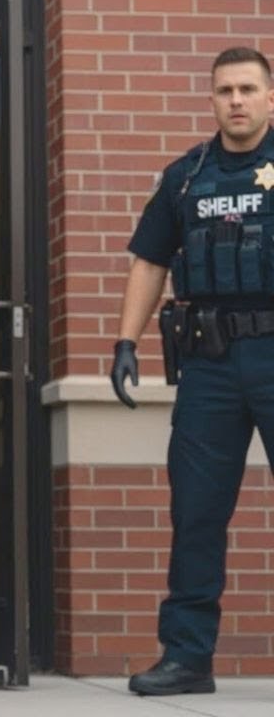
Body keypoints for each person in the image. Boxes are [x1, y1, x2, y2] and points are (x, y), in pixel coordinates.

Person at [110, 46, 274, 697]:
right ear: (211, 99)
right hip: (210, 364)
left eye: (247, 89)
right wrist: (126, 341)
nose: (236, 100)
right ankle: (186, 657)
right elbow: (150, 261)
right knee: (197, 512)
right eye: (224, 90)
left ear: (269, 97)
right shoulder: (185, 177)